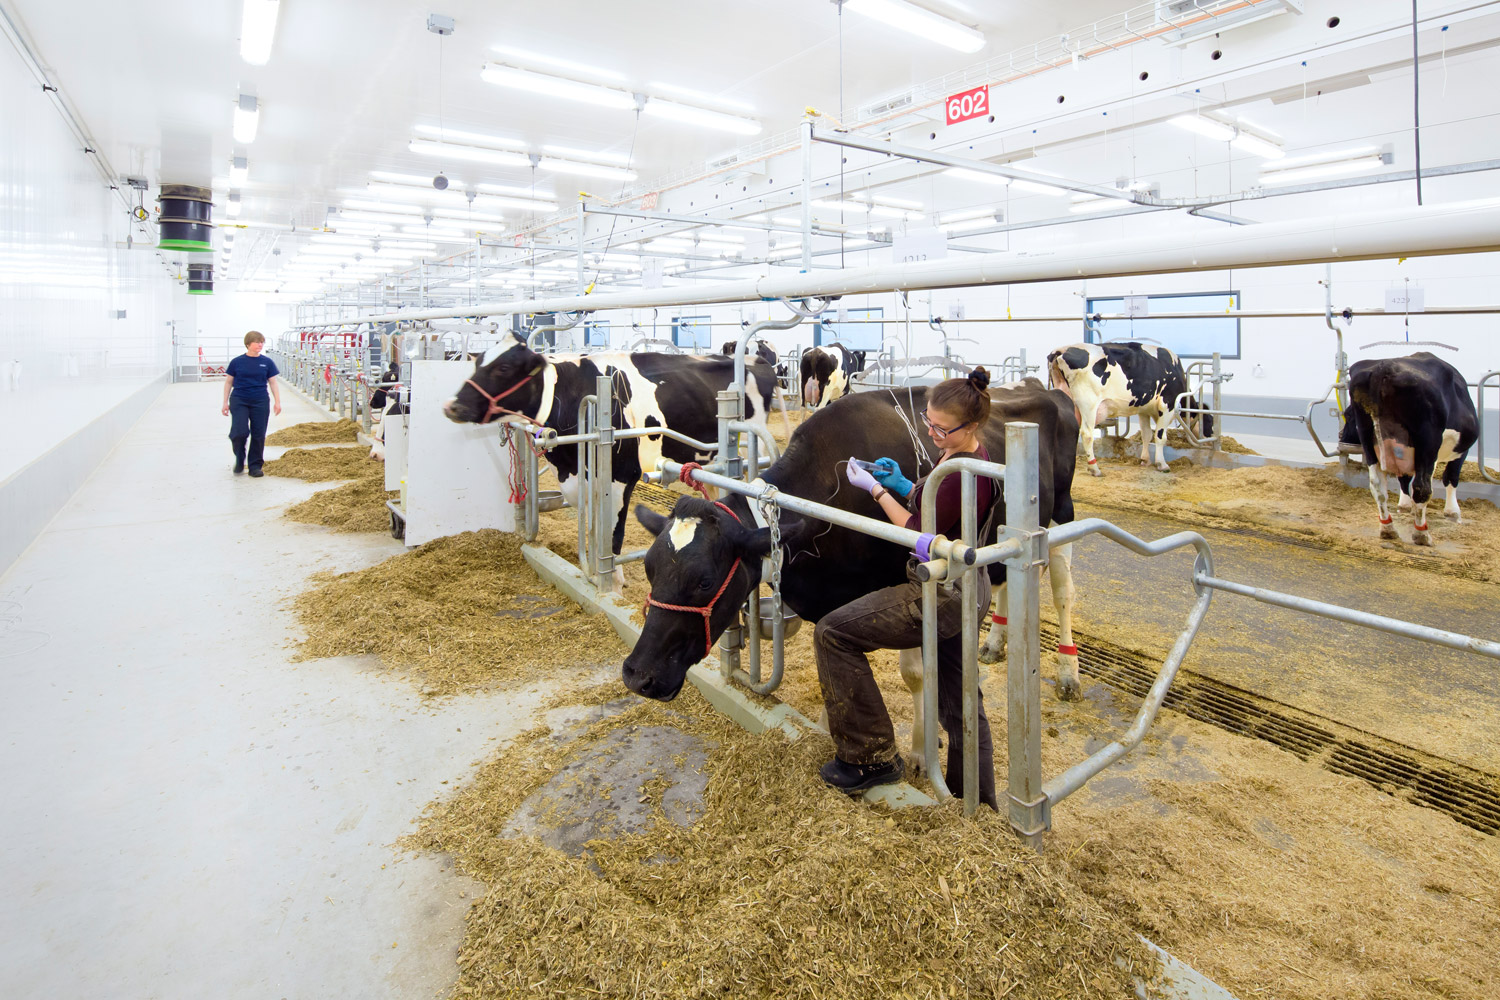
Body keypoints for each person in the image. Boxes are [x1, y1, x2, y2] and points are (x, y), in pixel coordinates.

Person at [815, 367, 999, 808]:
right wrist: (906, 484)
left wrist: (877, 490)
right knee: (959, 703)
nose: (932, 432)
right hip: (968, 585)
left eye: (942, 428)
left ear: (970, 427)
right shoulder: (965, 455)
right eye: (928, 423)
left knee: (833, 633)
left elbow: (917, 531)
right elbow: (933, 499)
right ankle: (977, 804)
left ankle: (870, 757)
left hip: (940, 594)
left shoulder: (960, 474)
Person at [221, 331, 282, 476]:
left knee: (259, 434)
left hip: (260, 400)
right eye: (257, 342)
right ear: (248, 344)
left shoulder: (267, 362)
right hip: (240, 399)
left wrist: (277, 402)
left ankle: (255, 465)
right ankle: (240, 457)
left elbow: (273, 382)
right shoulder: (237, 362)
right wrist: (224, 402)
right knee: (239, 432)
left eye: (262, 342)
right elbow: (229, 382)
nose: (260, 345)